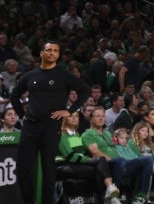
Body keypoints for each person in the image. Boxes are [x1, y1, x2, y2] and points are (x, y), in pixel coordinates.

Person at [10, 40, 92, 204]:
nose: (52, 53)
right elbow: (14, 95)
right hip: (30, 126)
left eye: (56, 50)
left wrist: (69, 111)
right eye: (49, 50)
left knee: (49, 170)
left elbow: (85, 90)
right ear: (42, 53)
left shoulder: (63, 74)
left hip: (51, 127)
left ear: (58, 55)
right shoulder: (31, 75)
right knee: (22, 169)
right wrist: (21, 113)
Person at [56, 111, 121, 204]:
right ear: (65, 119)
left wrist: (90, 158)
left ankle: (109, 193)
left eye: (76, 116)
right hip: (64, 165)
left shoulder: (76, 134)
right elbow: (71, 156)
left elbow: (80, 152)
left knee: (100, 163)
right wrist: (90, 160)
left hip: (76, 164)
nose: (74, 118)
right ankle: (107, 195)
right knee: (98, 167)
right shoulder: (61, 134)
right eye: (71, 116)